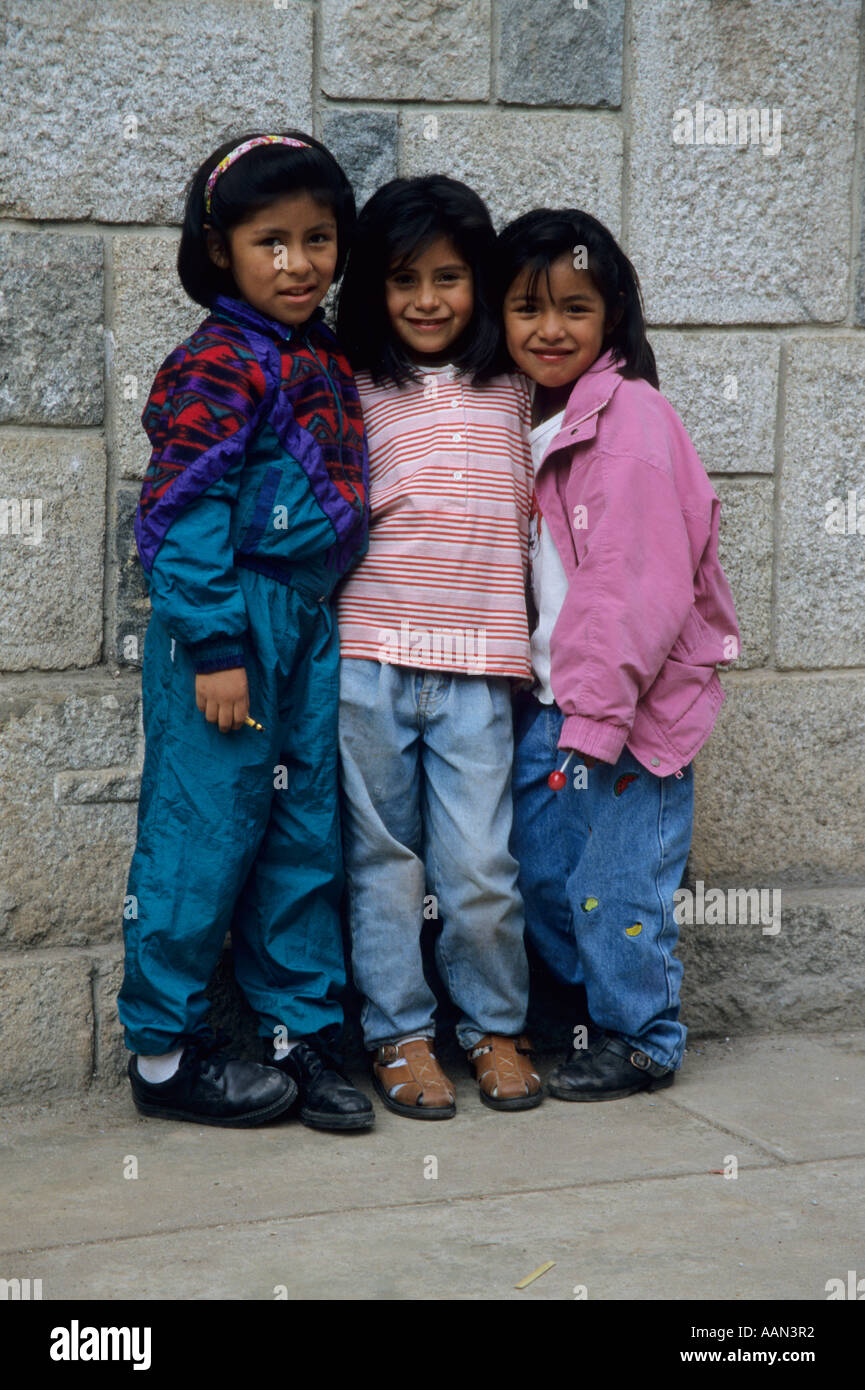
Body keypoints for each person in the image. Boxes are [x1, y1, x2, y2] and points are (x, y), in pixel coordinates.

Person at [118, 131, 374, 1131]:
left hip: (308, 626)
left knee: (303, 831)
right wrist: (218, 648)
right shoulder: (218, 361)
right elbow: (178, 514)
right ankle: (165, 1053)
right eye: (272, 240)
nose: (300, 262)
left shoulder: (321, 352)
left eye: (319, 239)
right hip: (228, 627)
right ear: (219, 248)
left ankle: (296, 1033)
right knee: (203, 833)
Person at [499, 208, 740, 1101]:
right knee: (543, 875)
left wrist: (597, 718)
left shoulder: (630, 417)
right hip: (554, 704)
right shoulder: (526, 420)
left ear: (612, 316)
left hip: (626, 716)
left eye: (575, 306)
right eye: (527, 308)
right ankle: (579, 1019)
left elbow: (632, 586)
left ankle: (641, 1038)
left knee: (616, 883)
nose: (550, 328)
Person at [334, 176, 542, 1118]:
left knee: (480, 868)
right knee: (383, 863)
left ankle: (495, 1026)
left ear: (480, 280)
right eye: (403, 278)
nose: (426, 300)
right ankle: (398, 1034)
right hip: (368, 656)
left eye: (449, 277)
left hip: (478, 671)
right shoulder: (352, 383)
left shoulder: (516, 387)